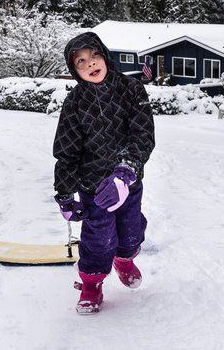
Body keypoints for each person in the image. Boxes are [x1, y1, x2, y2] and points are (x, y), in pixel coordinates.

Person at [53, 32, 155, 315]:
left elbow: (142, 135)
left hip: (129, 182)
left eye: (94, 55)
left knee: (131, 231)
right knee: (98, 237)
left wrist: (125, 172)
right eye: (81, 61)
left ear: (104, 55)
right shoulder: (74, 103)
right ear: (74, 69)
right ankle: (91, 284)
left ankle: (124, 260)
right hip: (93, 186)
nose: (90, 64)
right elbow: (67, 150)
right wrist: (64, 192)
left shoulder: (131, 89)